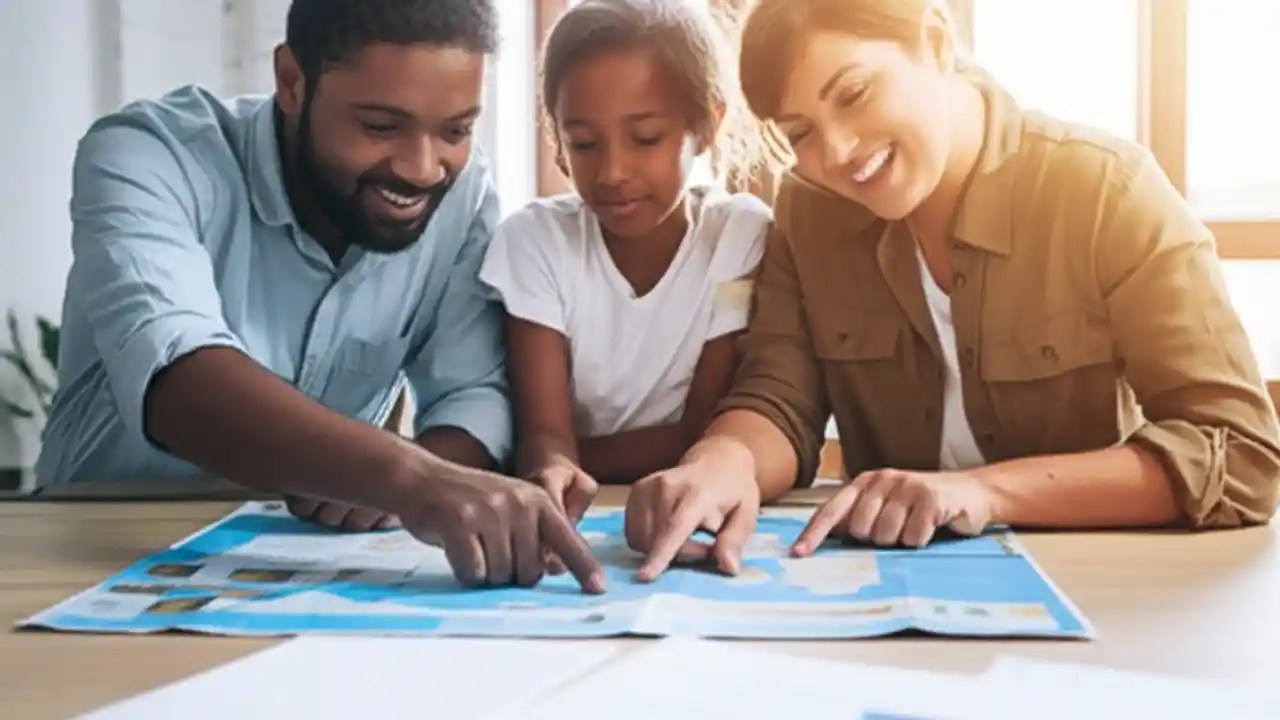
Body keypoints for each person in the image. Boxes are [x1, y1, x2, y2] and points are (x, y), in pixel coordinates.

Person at [627, 0, 1280, 581]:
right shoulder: (809, 209)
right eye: (801, 133)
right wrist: (722, 461)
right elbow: (778, 398)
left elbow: (1241, 455)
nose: (840, 151)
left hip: (1103, 589)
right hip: (895, 594)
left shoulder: (1107, 190)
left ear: (935, 41)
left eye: (853, 93)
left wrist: (984, 493)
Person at [35, 0, 604, 593]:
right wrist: (408, 478)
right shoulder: (147, 156)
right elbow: (177, 375)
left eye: (456, 130)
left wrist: (418, 478)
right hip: (92, 549)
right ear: (292, 82)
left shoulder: (463, 197)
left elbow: (474, 393)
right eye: (380, 126)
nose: (423, 168)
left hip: (320, 566)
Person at [479, 0, 770, 534]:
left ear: (708, 123)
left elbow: (701, 433)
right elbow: (544, 437)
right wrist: (550, 468)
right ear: (558, 139)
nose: (612, 171)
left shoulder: (738, 234)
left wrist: (564, 460)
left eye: (646, 139)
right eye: (584, 143)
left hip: (689, 505)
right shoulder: (536, 240)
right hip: (577, 513)